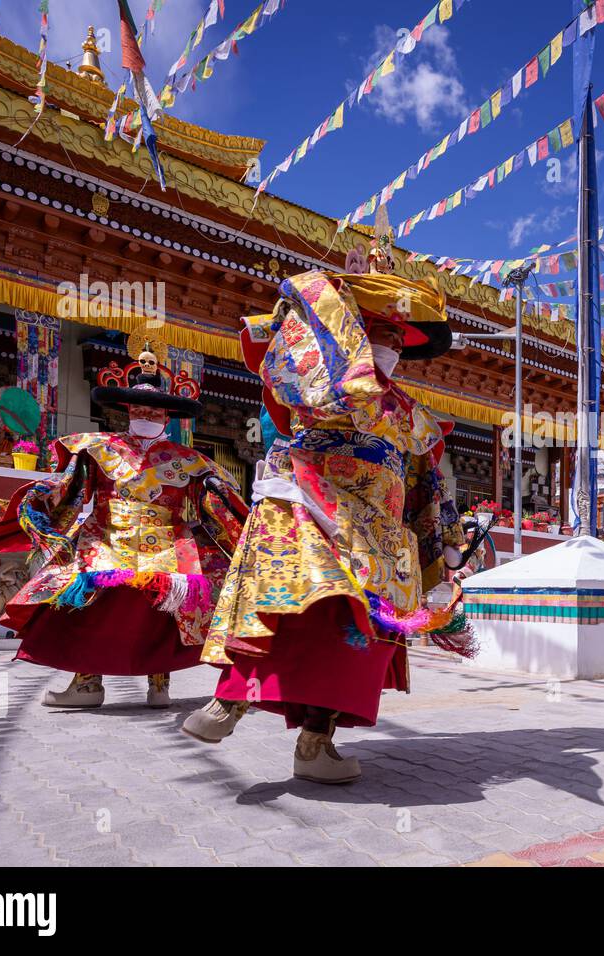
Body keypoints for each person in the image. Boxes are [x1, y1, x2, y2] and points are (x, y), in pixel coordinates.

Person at [180, 260, 472, 784]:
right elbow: (284, 366)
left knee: (349, 631)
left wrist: (446, 542)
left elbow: (429, 480)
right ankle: (230, 702)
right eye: (378, 334)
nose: (389, 348)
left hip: (379, 542)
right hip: (305, 508)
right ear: (354, 332)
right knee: (284, 603)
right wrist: (331, 312)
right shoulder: (321, 377)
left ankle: (316, 742)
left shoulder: (413, 415)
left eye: (398, 342)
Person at [0, 350, 247, 708]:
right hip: (106, 536)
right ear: (127, 411)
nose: (146, 416)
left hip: (168, 541)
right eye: (139, 410)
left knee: (163, 613)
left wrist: (246, 532)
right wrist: (40, 497)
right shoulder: (97, 449)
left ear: (167, 416)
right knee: (84, 606)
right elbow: (71, 489)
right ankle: (87, 683)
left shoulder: (191, 461)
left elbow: (215, 507)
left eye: (155, 412)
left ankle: (159, 682)